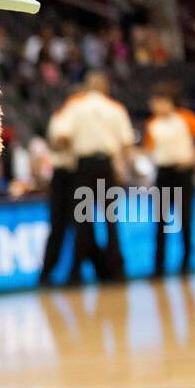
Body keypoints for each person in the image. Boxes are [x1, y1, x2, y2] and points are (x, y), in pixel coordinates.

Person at [47, 70, 134, 282]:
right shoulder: (115, 108)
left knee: (83, 220)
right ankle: (117, 272)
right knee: (111, 221)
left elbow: (62, 137)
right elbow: (126, 143)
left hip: (84, 167)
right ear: (105, 87)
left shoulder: (75, 107)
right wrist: (123, 169)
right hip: (106, 166)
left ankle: (76, 273)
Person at [144, 88, 195, 276]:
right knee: (161, 222)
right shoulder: (152, 124)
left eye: (159, 101)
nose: (155, 106)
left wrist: (193, 159)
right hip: (163, 173)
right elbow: (148, 150)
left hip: (182, 173)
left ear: (169, 101)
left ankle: (185, 264)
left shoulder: (185, 118)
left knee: (185, 219)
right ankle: (158, 267)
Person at [40, 107, 76, 285]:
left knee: (83, 228)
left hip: (79, 175)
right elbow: (54, 143)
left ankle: (77, 272)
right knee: (57, 227)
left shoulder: (83, 117)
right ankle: (46, 274)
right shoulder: (60, 116)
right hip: (61, 176)